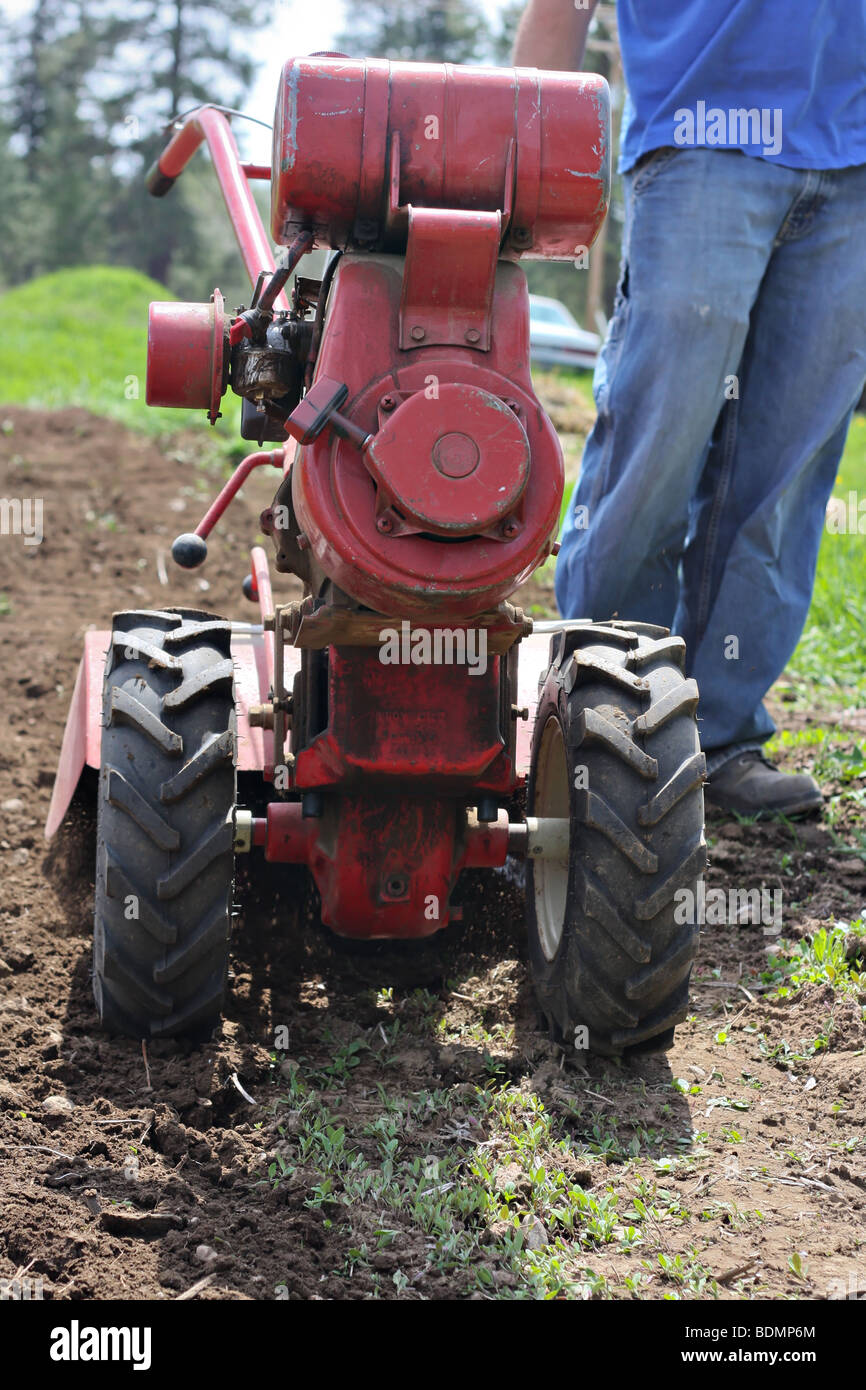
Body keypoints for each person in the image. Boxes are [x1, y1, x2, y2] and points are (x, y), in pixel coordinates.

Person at [513, 0, 866, 816]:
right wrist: (525, 145)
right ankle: (605, 713)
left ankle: (720, 731)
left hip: (853, 165)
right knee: (657, 445)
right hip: (703, 137)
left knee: (786, 474)